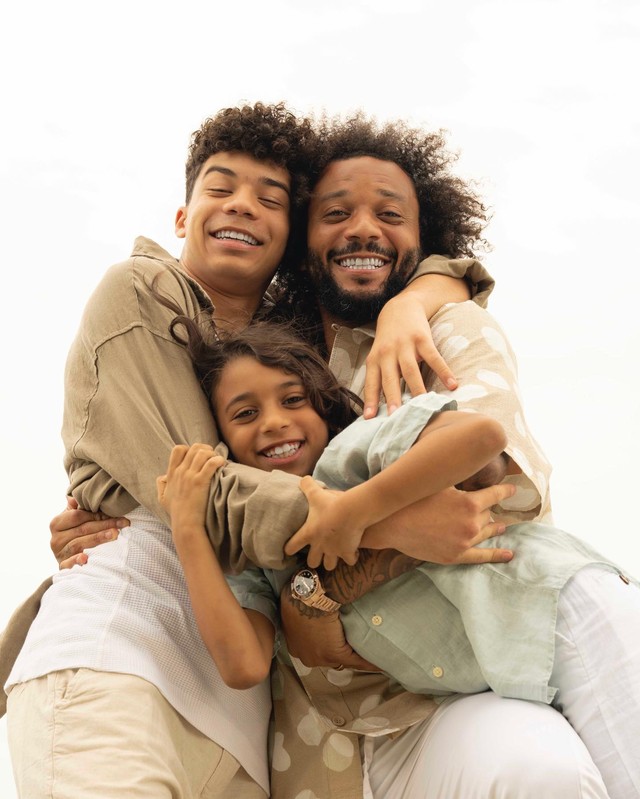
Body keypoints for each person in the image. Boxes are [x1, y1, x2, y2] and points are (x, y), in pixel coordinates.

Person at [42, 111, 629, 798]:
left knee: (546, 771)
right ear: (302, 243)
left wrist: (417, 302)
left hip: (513, 641)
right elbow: (193, 478)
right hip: (335, 731)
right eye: (334, 213)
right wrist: (134, 505)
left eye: (390, 214)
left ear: (424, 239)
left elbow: (486, 484)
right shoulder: (272, 358)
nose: (363, 228)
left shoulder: (437, 328)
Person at [160, 319, 639, 799]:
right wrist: (188, 529)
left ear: (322, 407)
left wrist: (355, 511)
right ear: (220, 438)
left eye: (292, 400)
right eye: (245, 413)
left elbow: (483, 437)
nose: (273, 421)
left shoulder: (355, 450)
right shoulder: (257, 556)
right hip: (500, 679)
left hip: (558, 613)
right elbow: (243, 665)